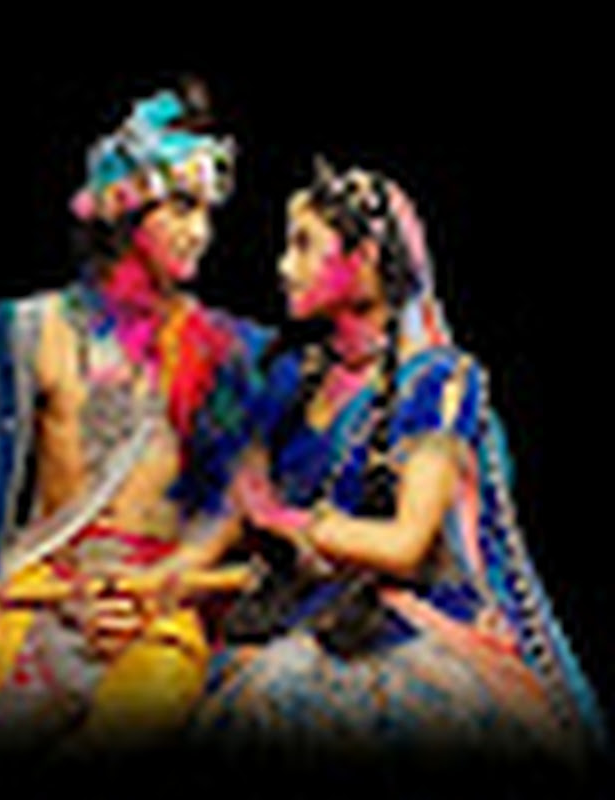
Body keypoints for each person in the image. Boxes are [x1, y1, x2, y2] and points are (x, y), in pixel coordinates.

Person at [0, 80, 269, 767]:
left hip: (157, 611)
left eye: (209, 213)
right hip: (39, 596)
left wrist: (165, 583)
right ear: (124, 206)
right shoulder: (34, 332)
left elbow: (237, 503)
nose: (201, 233)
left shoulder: (222, 350)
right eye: (182, 208)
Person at [189, 158, 607, 765]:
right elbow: (265, 548)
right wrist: (170, 581)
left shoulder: (436, 381)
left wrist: (291, 522)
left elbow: (406, 546)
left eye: (303, 245)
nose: (283, 266)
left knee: (273, 693)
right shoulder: (300, 380)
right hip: (316, 616)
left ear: (362, 260)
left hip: (413, 636)